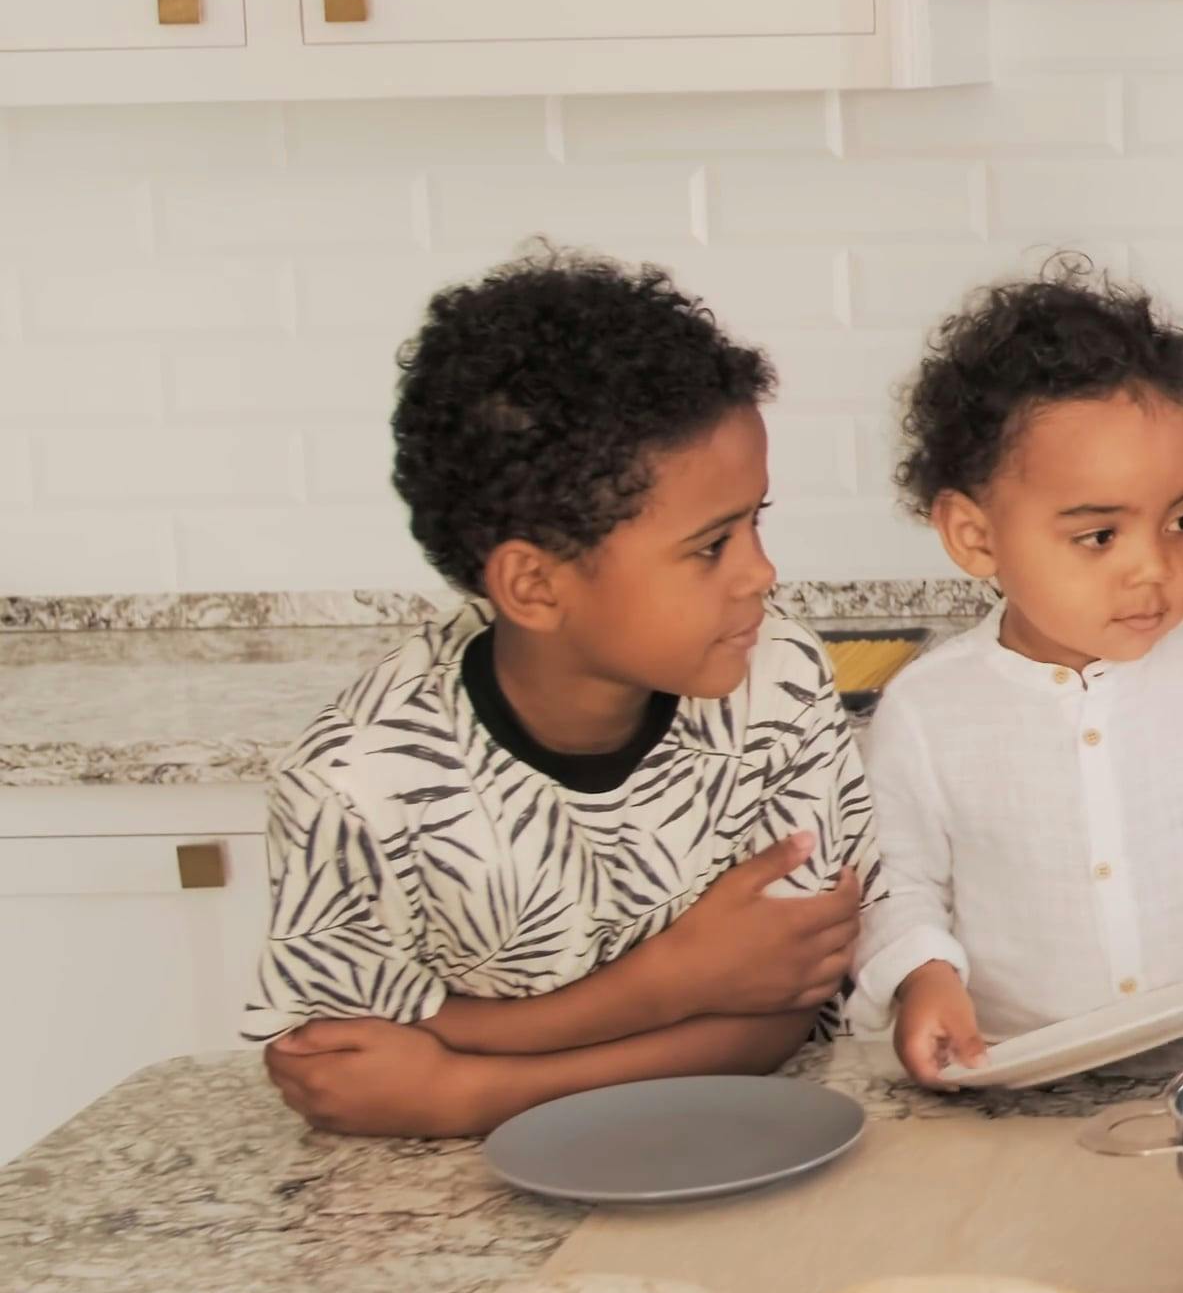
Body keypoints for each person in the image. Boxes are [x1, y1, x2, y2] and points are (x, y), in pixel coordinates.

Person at [248, 253, 871, 1137]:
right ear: (535, 588)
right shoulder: (354, 785)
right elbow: (340, 1066)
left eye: (755, 522)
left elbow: (787, 1007)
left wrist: (465, 1090)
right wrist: (674, 981)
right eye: (711, 546)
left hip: (752, 1146)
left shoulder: (779, 680)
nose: (761, 573)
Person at [855, 265, 1183, 1085]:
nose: (1153, 568)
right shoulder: (926, 710)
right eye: (1100, 536)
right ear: (975, 537)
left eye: (1181, 521)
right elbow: (898, 885)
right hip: (1021, 1084)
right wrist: (925, 979)